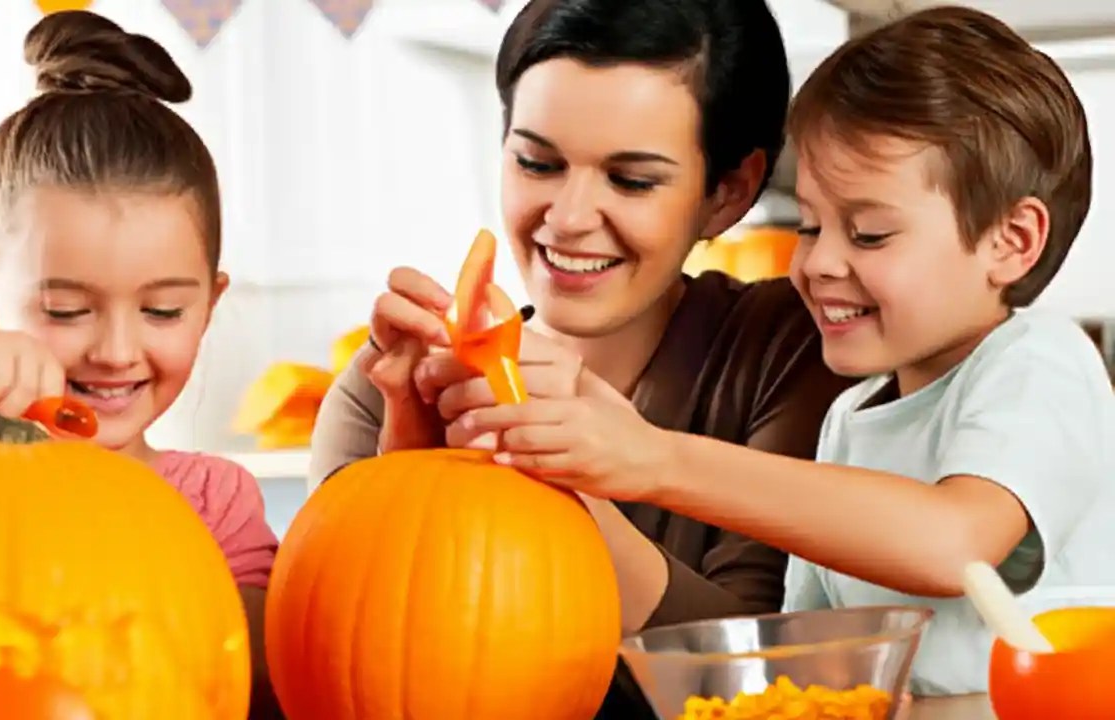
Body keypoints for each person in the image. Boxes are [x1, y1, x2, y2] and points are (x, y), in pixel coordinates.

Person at [457, 6, 1115, 696]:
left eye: (867, 235)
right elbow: (806, 667)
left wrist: (649, 456)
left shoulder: (1038, 361)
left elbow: (955, 546)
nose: (818, 263)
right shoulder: (852, 419)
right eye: (809, 226)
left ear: (1011, 241)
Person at [310, 0, 853, 712]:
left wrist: (562, 486)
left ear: (728, 193)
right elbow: (338, 664)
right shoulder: (390, 382)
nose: (567, 218)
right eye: (537, 162)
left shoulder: (790, 349)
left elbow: (771, 680)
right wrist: (409, 461)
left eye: (630, 180)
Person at [0, 11, 281, 716]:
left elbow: (260, 686)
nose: (114, 351)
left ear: (210, 303)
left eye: (162, 311)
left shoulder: (214, 504)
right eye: (66, 311)